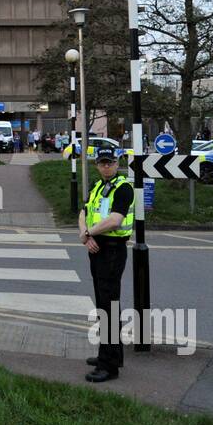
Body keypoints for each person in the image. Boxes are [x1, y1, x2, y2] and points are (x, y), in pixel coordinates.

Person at [78, 147, 133, 383]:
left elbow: (115, 220)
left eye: (110, 162)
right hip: (96, 247)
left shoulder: (123, 188)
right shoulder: (98, 186)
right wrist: (85, 234)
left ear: (117, 162)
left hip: (112, 249)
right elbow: (84, 212)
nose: (106, 166)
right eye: (102, 163)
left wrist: (89, 233)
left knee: (108, 307)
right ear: (97, 165)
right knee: (104, 304)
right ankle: (113, 355)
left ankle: (108, 366)